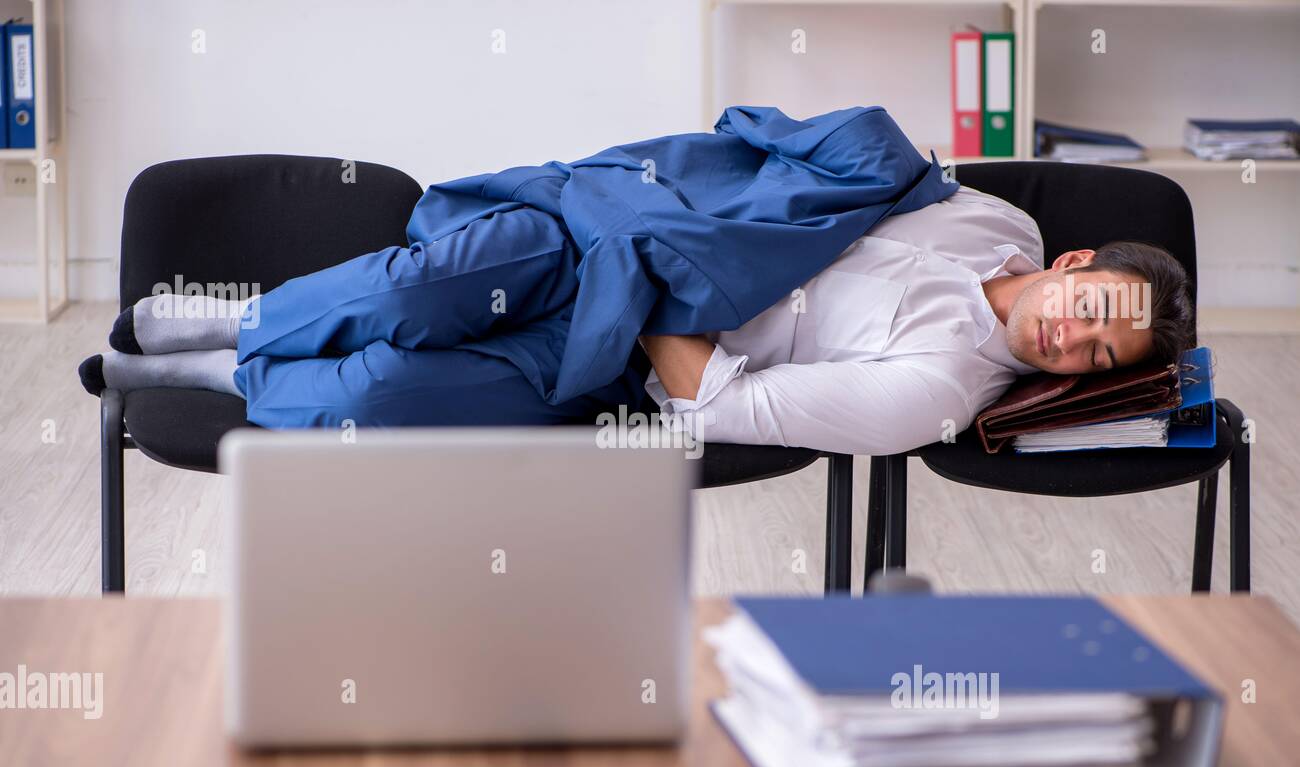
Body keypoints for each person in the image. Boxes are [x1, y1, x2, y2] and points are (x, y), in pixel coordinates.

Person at [78, 107, 1193, 455]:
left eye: (1098, 358)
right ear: (1071, 264)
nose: (1072, 345)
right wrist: (662, 227)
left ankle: (229, 370)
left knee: (382, 402)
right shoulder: (985, 215)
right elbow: (799, 153)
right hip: (581, 240)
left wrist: (665, 283)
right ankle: (238, 317)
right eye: (1088, 316)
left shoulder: (938, 392)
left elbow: (716, 404)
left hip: (617, 353)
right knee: (418, 295)